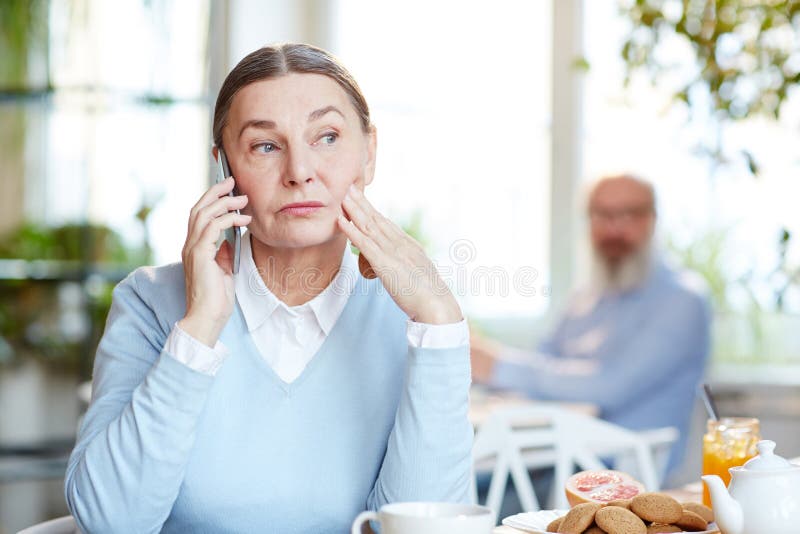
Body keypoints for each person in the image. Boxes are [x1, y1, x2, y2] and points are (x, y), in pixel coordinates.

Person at [65, 43, 472, 533]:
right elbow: (109, 523)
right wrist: (198, 330)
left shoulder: (411, 319)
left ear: (369, 155)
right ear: (225, 167)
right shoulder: (149, 305)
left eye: (326, 137)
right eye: (265, 145)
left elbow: (421, 527)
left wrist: (440, 322)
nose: (299, 171)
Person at [471, 174, 711, 476]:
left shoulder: (682, 300)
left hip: (621, 470)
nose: (614, 228)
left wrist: (497, 365)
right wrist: (478, 362)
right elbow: (543, 359)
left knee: (468, 485)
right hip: (552, 454)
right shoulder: (584, 297)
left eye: (629, 214)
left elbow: (608, 387)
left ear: (652, 219)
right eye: (602, 215)